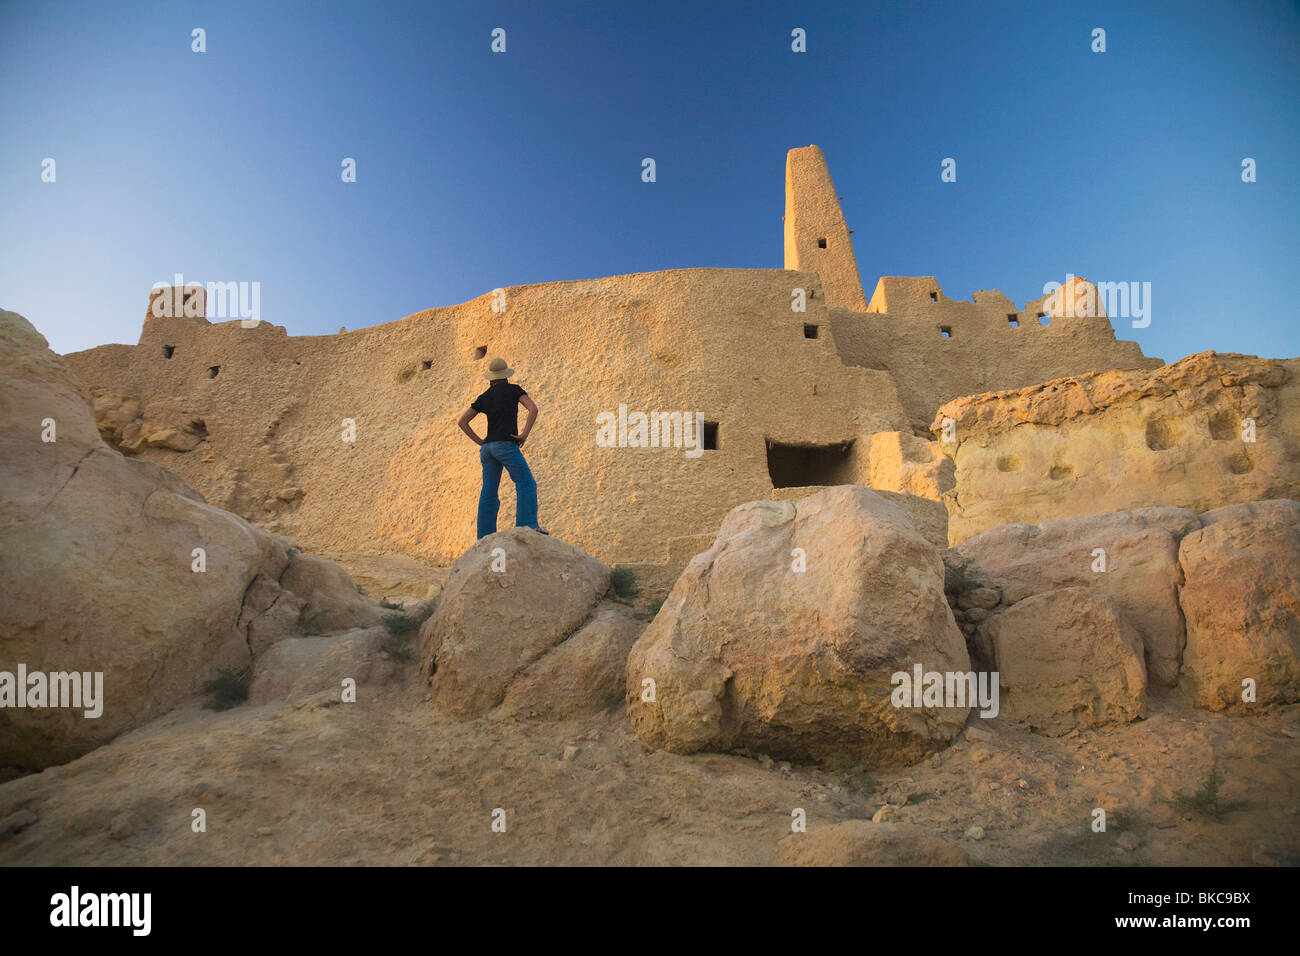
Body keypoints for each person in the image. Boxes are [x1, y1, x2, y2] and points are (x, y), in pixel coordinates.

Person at [457, 357, 546, 538]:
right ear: (506, 375)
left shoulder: (484, 396)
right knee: (526, 483)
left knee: (488, 492)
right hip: (506, 445)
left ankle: (485, 536)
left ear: (491, 378)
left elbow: (462, 421)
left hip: (488, 449)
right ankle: (527, 527)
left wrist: (480, 441)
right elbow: (533, 409)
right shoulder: (514, 390)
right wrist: (524, 434)